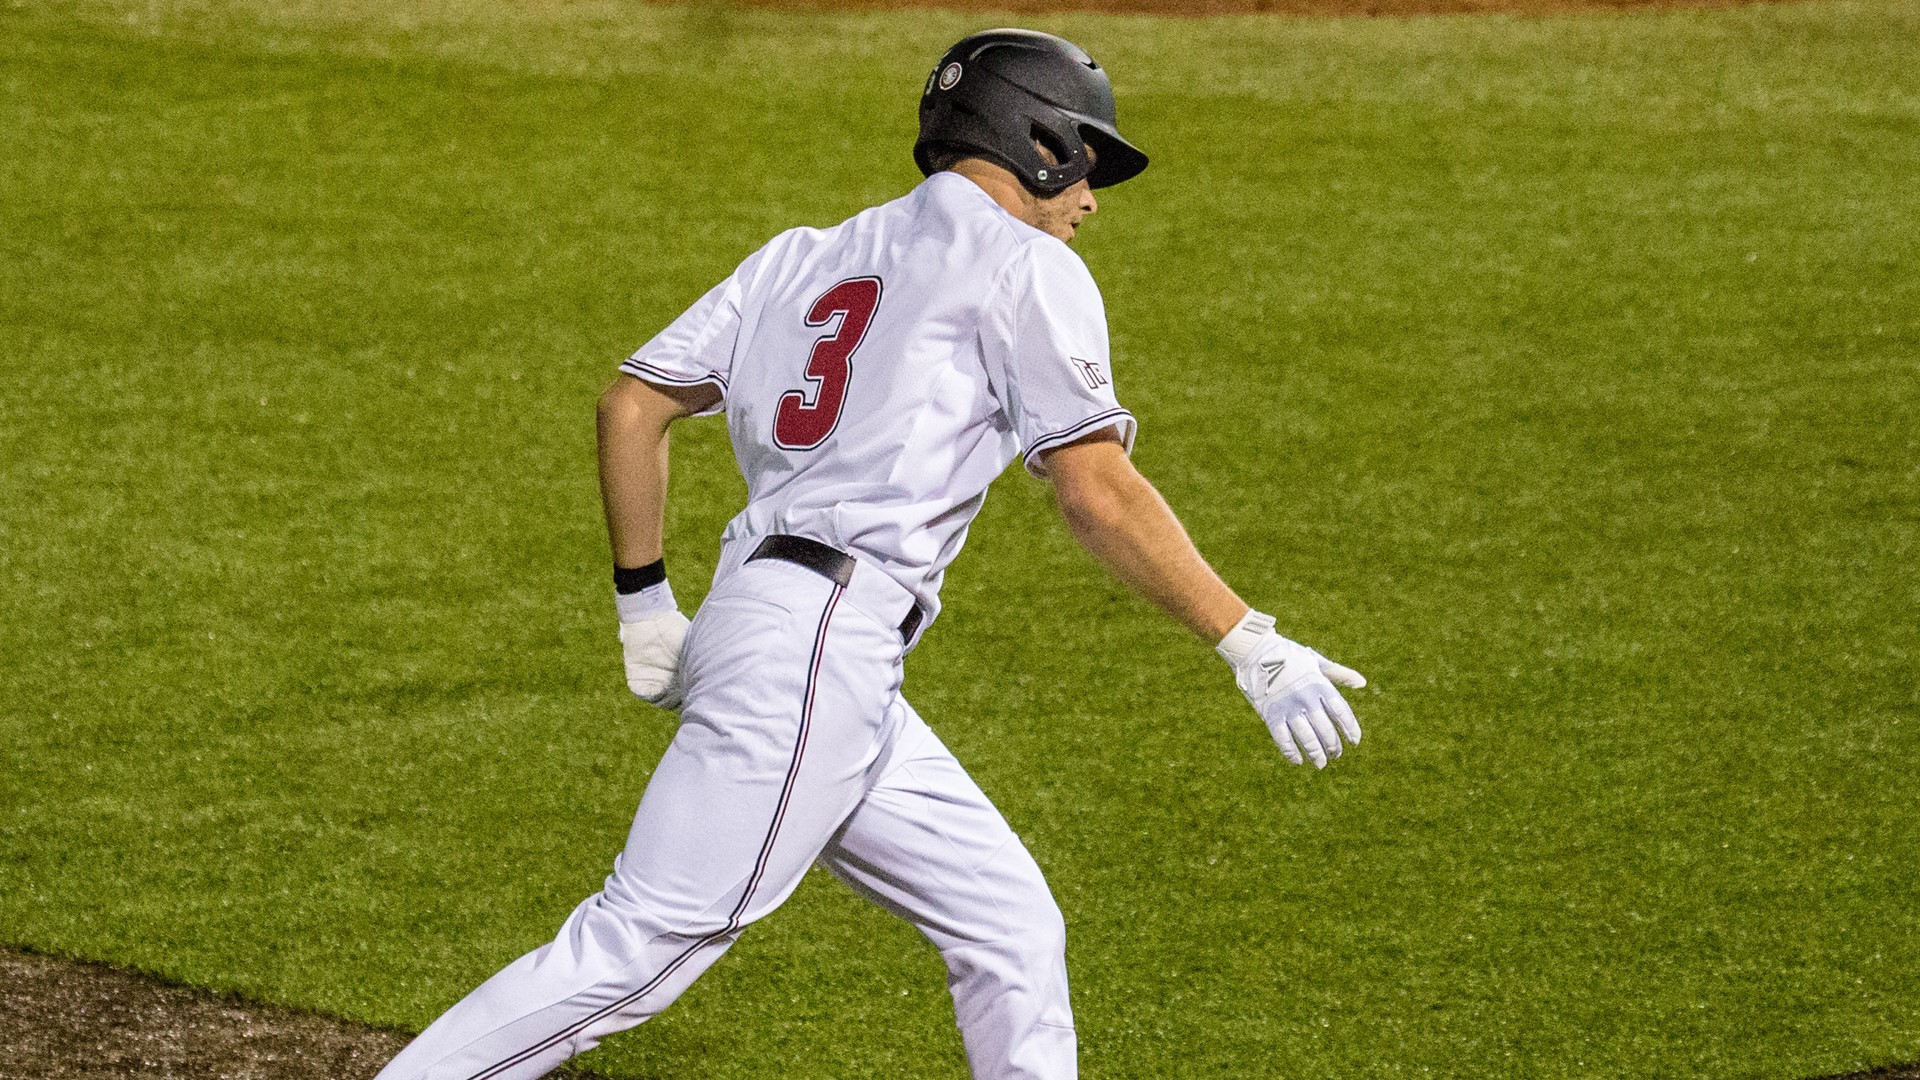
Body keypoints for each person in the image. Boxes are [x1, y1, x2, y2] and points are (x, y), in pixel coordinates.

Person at [375, 27, 1365, 1080]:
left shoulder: (804, 253)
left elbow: (633, 406)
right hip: (819, 650)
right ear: (1034, 142)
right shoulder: (1027, 265)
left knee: (1010, 926)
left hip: (773, 627)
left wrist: (645, 605)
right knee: (639, 946)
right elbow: (1096, 489)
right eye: (1085, 160)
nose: (1090, 198)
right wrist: (1247, 640)